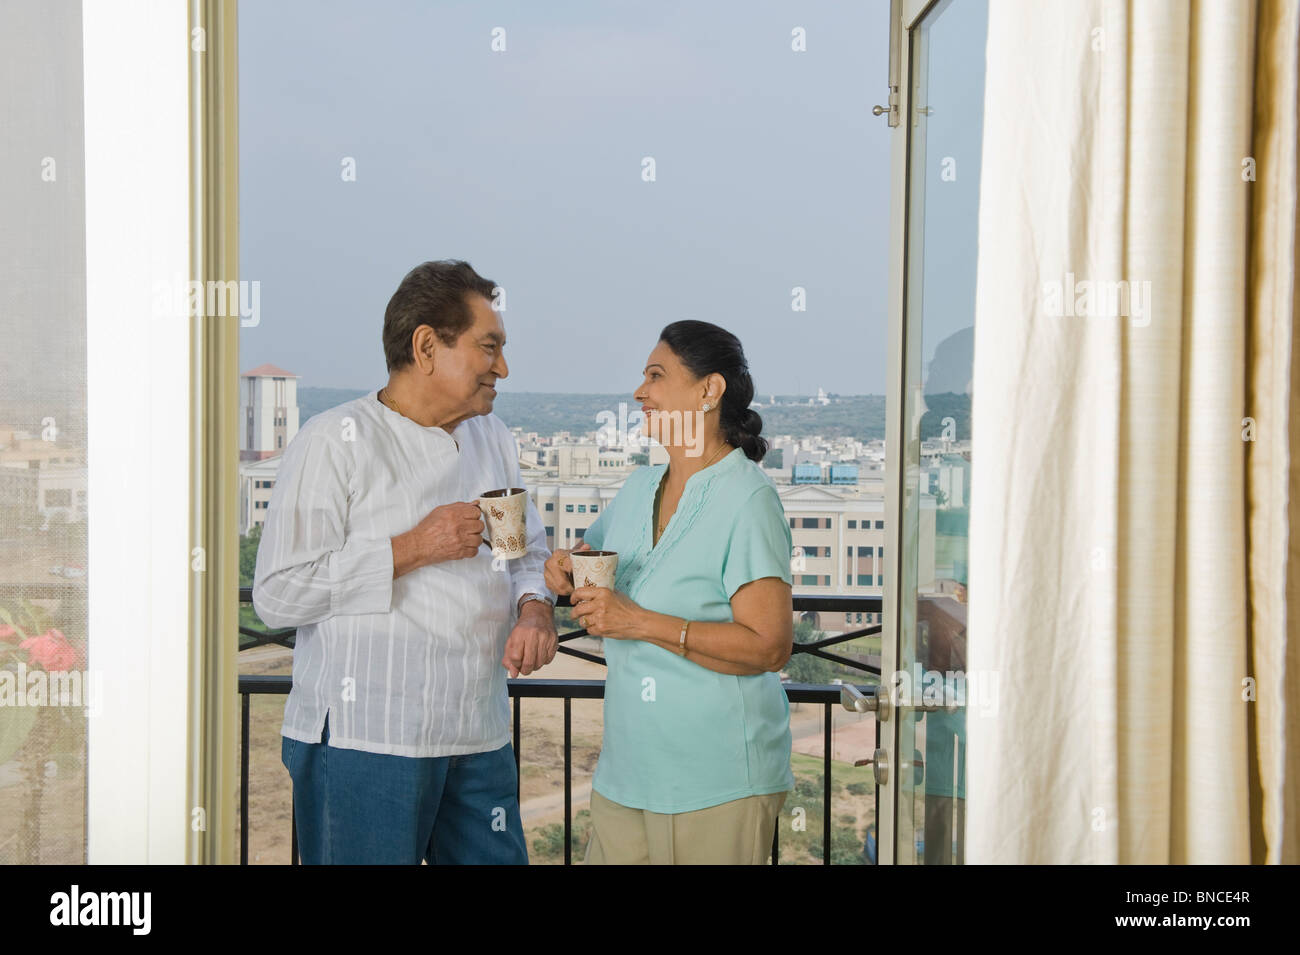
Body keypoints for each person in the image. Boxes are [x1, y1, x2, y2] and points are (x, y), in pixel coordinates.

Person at [253, 260, 557, 864]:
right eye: (489, 347)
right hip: (368, 740)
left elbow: (524, 553)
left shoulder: (491, 437)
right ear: (426, 346)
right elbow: (277, 595)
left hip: (478, 733)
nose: (503, 368)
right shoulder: (333, 439)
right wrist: (412, 548)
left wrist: (535, 609)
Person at [545, 320, 795, 865]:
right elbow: (589, 562)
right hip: (627, 773)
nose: (640, 392)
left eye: (656, 376)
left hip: (718, 778)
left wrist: (639, 622)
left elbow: (770, 647)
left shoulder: (748, 501)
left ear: (710, 391)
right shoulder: (638, 487)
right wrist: (563, 570)